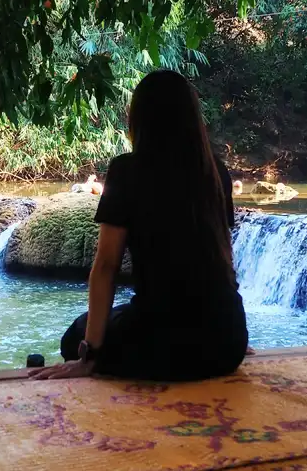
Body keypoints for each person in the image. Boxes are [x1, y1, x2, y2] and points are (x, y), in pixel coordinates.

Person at [30, 70, 248, 381]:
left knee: (75, 335)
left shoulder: (126, 171)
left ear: (139, 117)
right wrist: (232, 333)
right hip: (227, 343)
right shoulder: (215, 172)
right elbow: (225, 258)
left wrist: (89, 356)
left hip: (161, 345)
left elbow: (106, 266)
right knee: (121, 317)